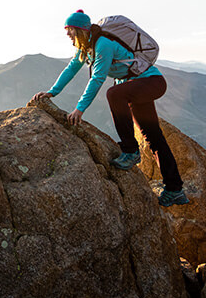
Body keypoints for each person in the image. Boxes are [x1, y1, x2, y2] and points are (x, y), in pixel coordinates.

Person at [32, 10, 189, 207]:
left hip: (151, 82)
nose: (67, 34)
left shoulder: (102, 44)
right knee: (153, 137)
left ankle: (130, 151)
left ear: (80, 29)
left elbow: (97, 78)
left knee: (114, 94)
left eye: (70, 29)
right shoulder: (85, 47)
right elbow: (71, 68)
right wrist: (52, 92)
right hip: (136, 86)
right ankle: (175, 189)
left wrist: (80, 109)